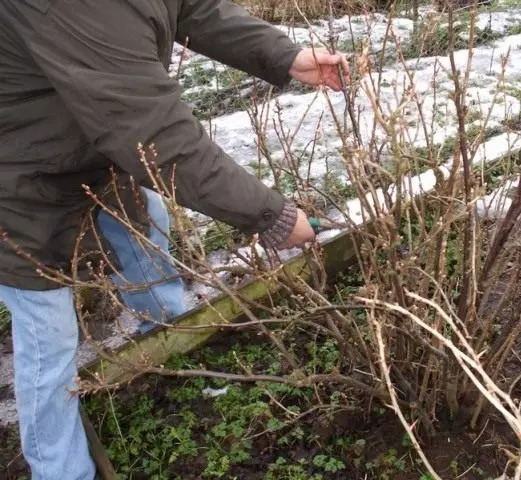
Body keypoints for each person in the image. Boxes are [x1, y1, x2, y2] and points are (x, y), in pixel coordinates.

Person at [0, 1, 350, 479]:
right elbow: (157, 134)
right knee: (48, 332)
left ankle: (167, 352)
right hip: (16, 172)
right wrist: (273, 217)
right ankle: (61, 470)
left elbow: (194, 8)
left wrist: (284, 54)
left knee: (148, 227)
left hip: (91, 141)